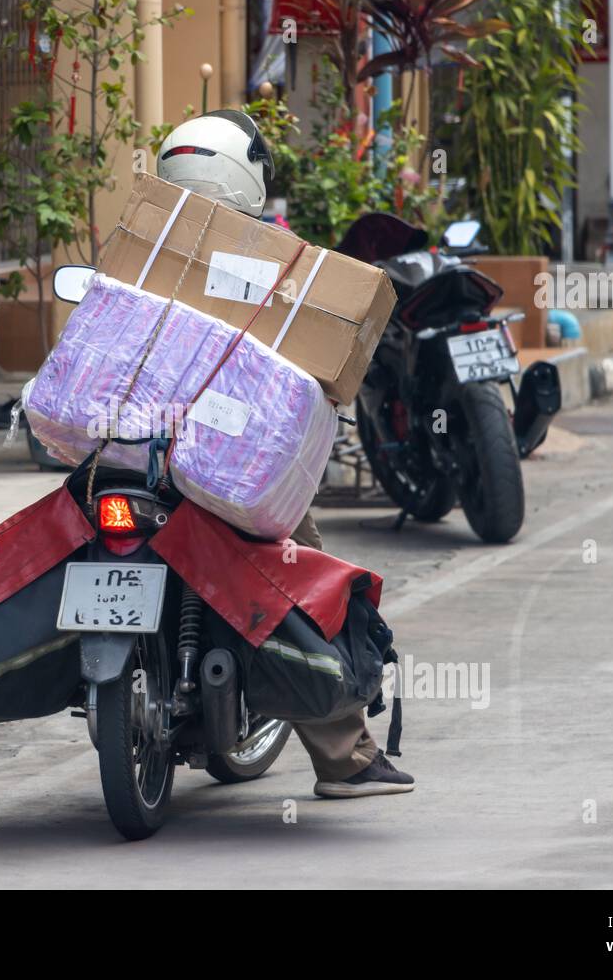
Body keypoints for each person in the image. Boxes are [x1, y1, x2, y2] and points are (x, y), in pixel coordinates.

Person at [156, 111, 414, 798]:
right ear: (246, 176)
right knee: (301, 577)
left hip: (133, 450)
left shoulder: (146, 243)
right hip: (232, 461)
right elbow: (315, 350)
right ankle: (347, 760)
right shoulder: (277, 256)